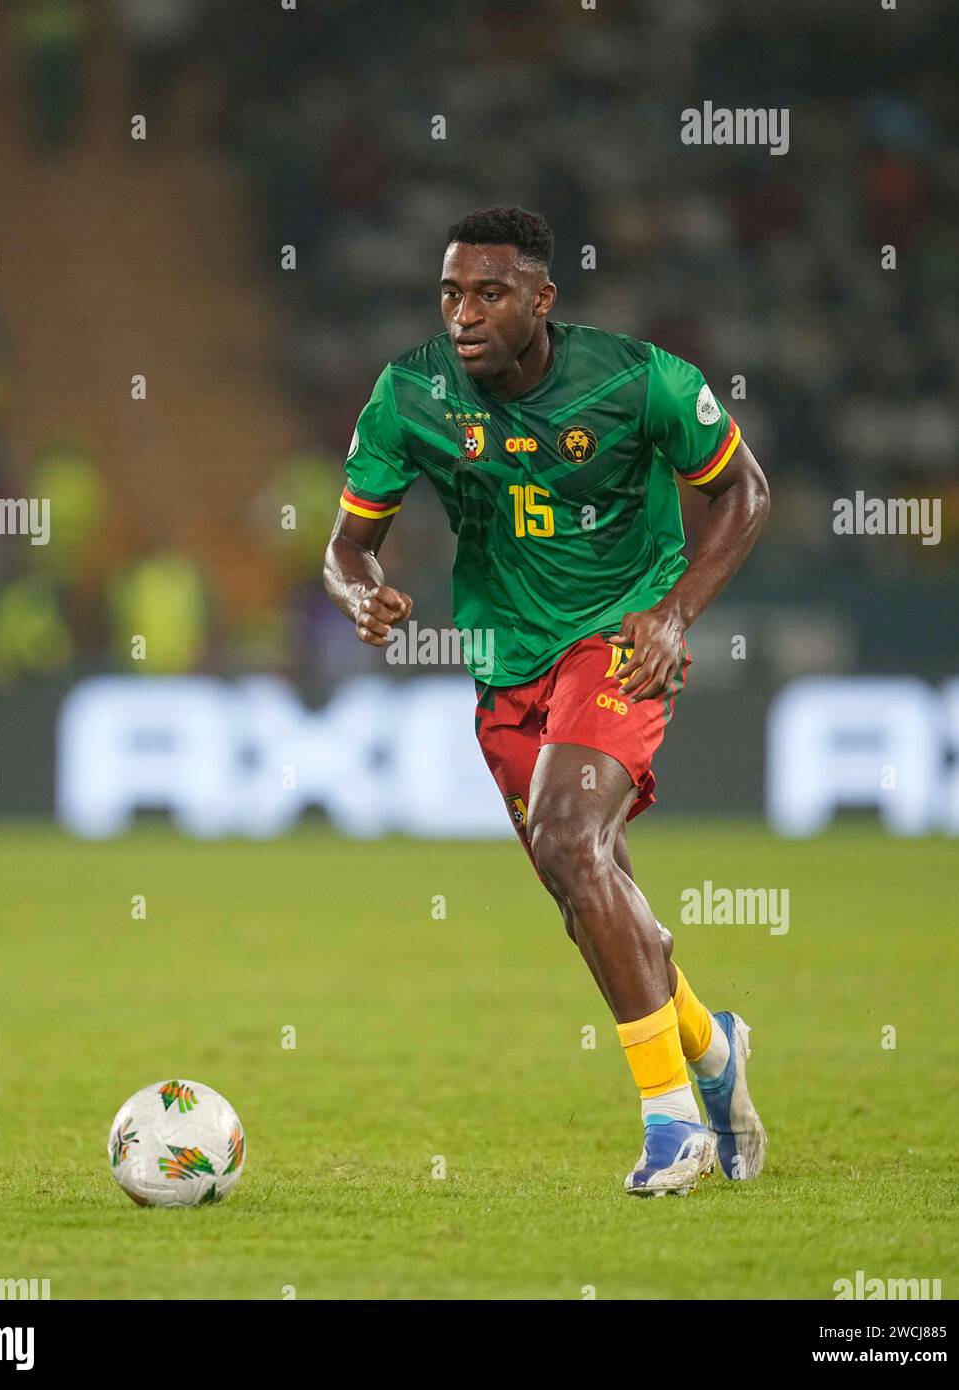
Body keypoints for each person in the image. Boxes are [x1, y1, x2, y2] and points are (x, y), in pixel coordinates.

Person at [323, 206, 770, 1196]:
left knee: (572, 844)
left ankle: (671, 1124)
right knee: (590, 893)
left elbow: (744, 490)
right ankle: (709, 1044)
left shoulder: (638, 380)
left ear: (540, 299)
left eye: (488, 293)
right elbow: (346, 544)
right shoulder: (409, 395)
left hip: (618, 640)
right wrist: (363, 592)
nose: (464, 314)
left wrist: (674, 614)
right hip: (505, 664)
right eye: (450, 293)